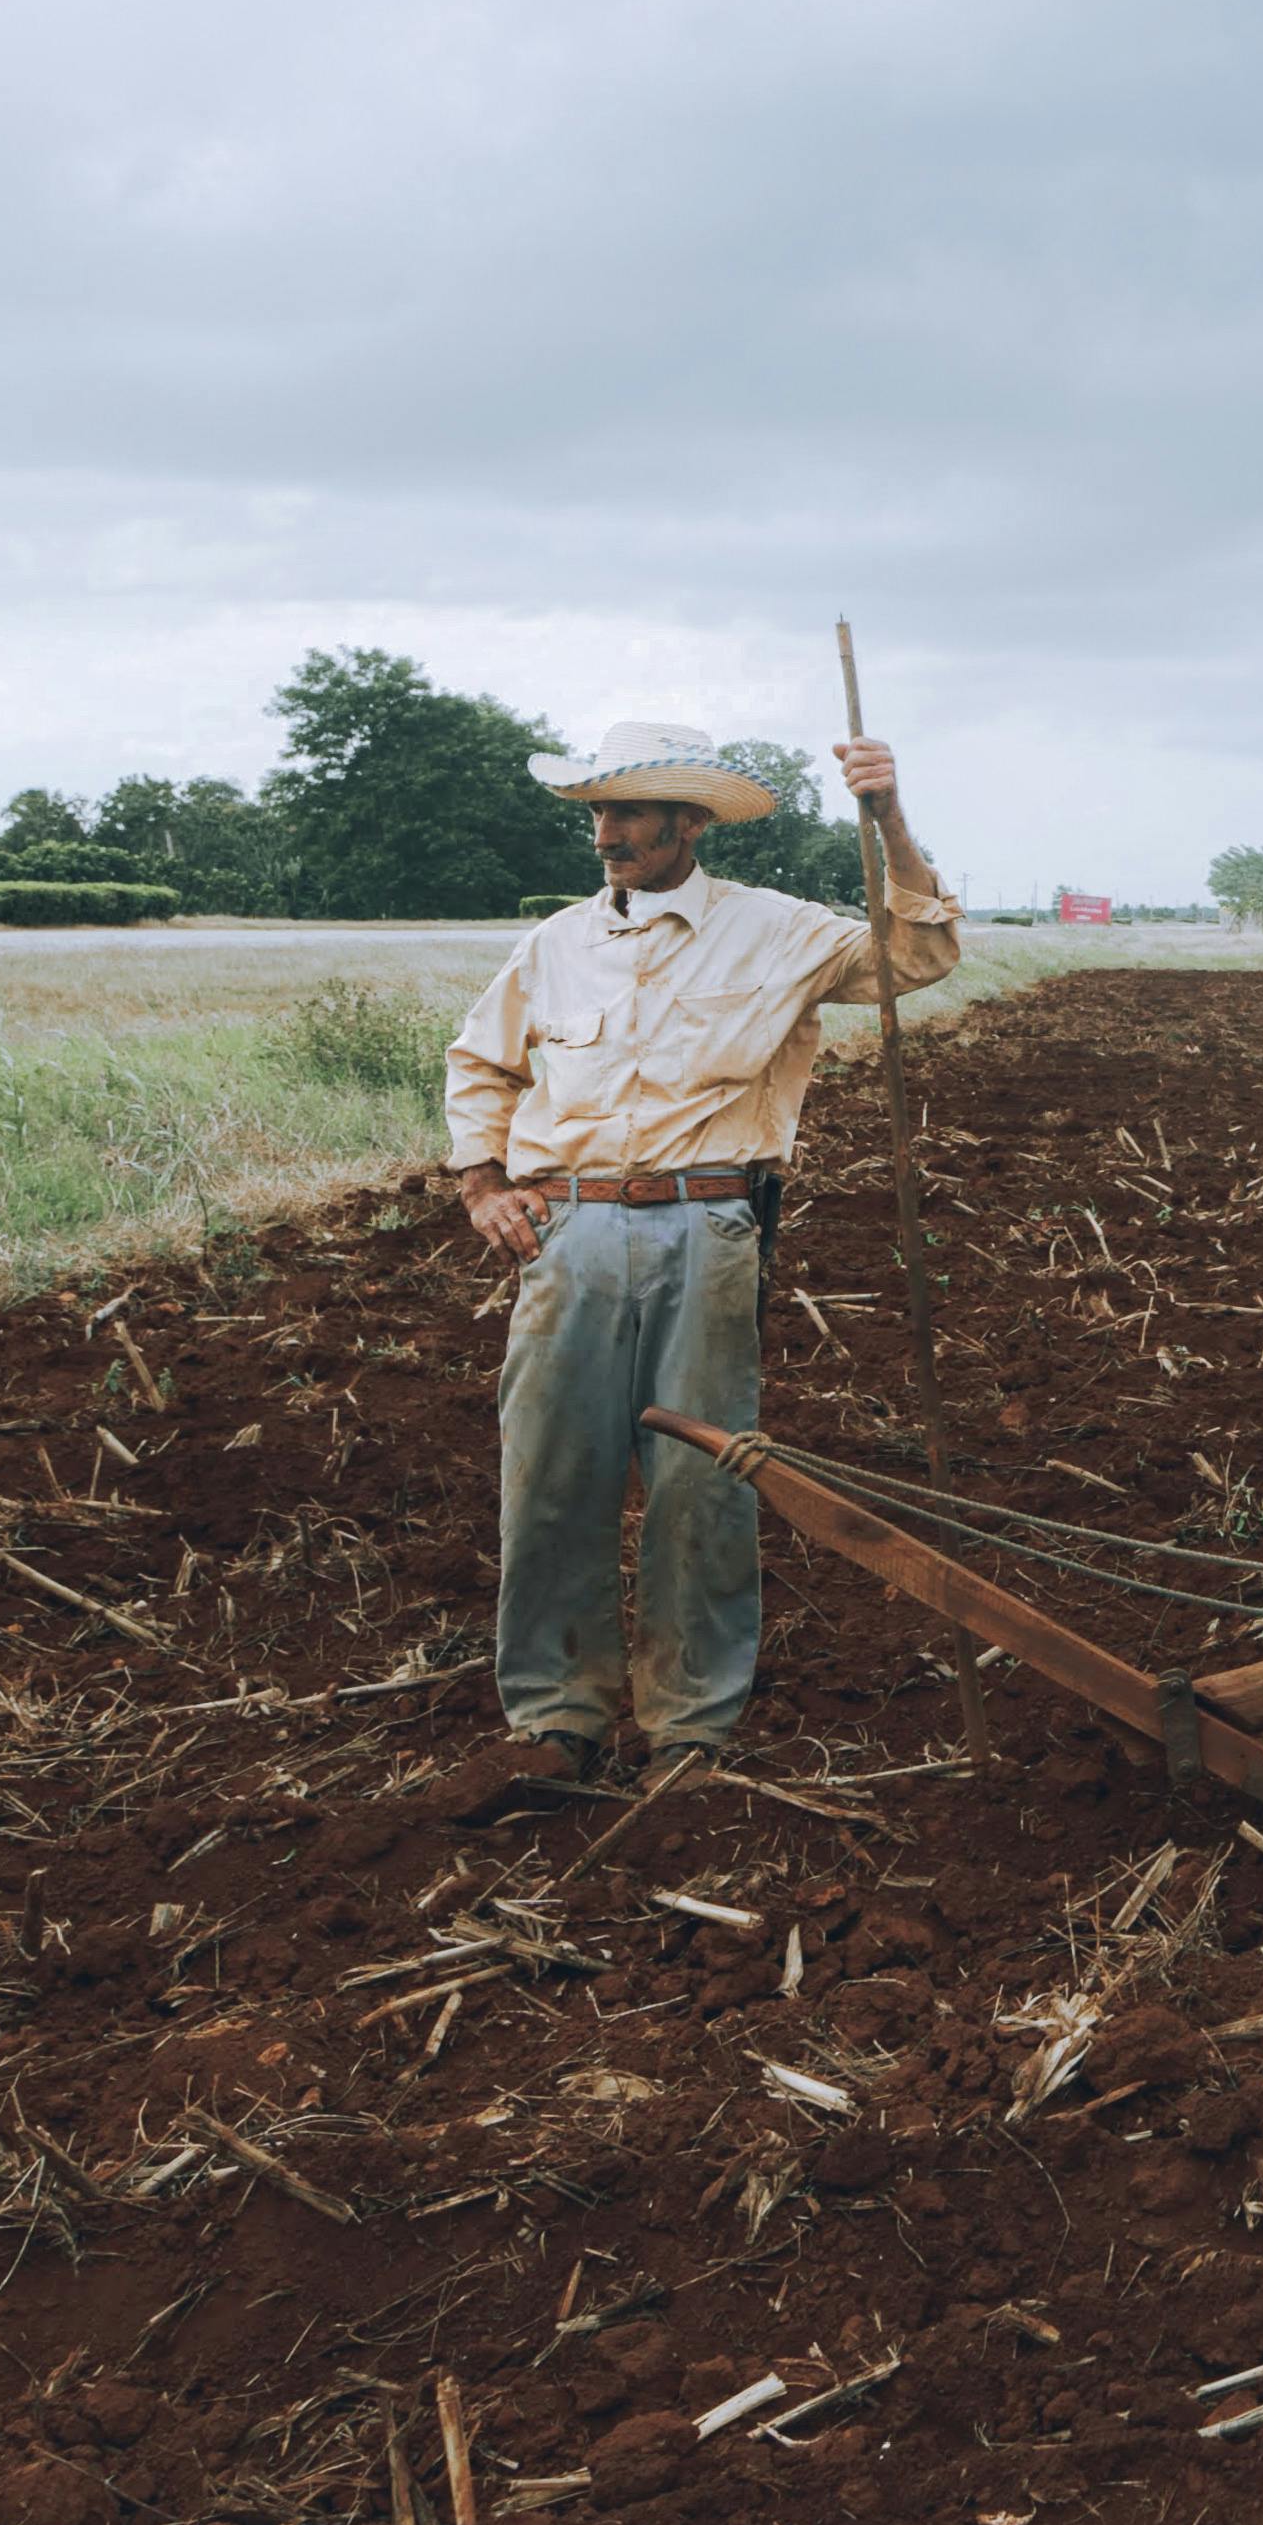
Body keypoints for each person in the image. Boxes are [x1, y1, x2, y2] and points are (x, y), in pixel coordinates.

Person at [441, 719, 959, 1778]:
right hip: (568, 1231)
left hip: (708, 1223)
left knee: (700, 1478)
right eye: (596, 813)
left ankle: (689, 1727)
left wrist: (887, 815)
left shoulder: (776, 930)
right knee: (550, 1474)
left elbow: (918, 952)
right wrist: (482, 1183)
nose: (606, 835)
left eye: (627, 813)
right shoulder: (554, 946)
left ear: (687, 824)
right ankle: (556, 1717)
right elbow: (480, 1066)